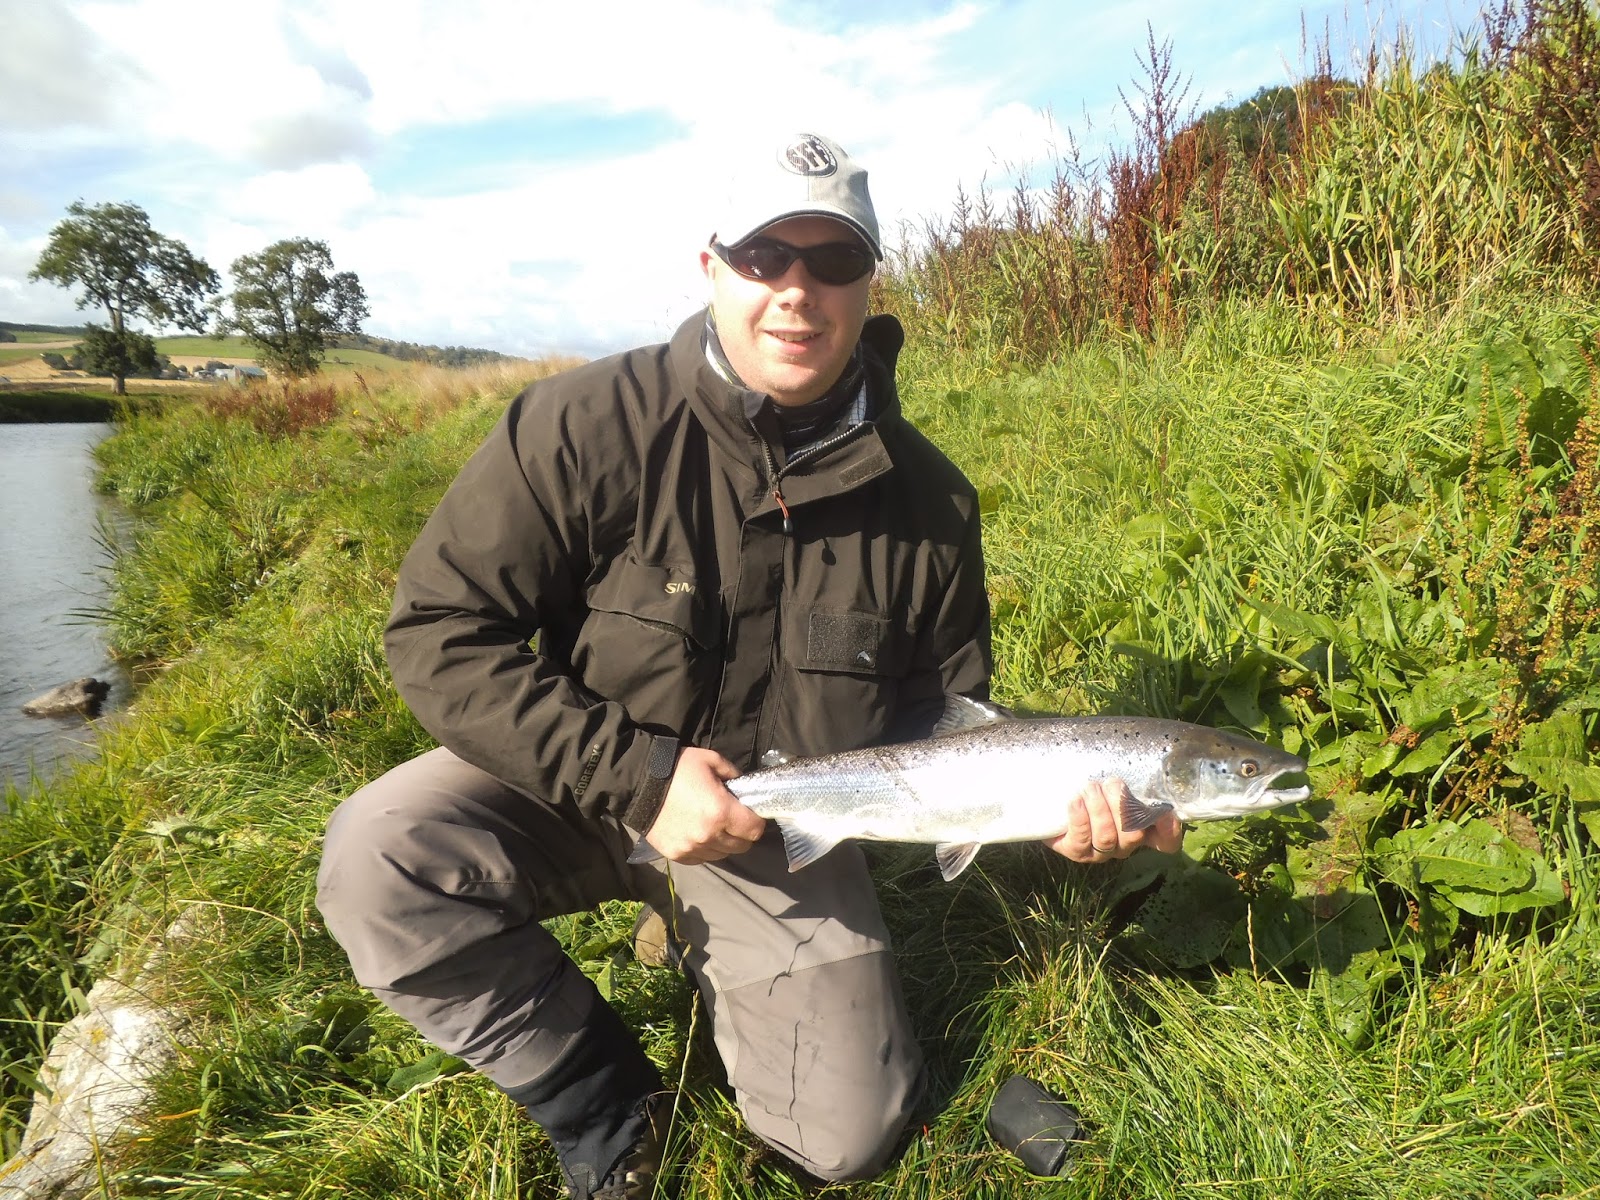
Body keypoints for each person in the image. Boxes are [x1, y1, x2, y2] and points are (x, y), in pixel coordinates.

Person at [315, 131, 1182, 1199]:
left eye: (833, 263)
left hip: (778, 828)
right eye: (766, 257)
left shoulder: (931, 502)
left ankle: (691, 923)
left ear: (869, 285)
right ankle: (603, 1100)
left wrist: (1054, 803)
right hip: (577, 778)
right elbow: (439, 631)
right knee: (380, 856)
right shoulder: (580, 424)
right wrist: (633, 778)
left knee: (848, 1141)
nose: (797, 293)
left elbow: (941, 718)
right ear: (711, 268)